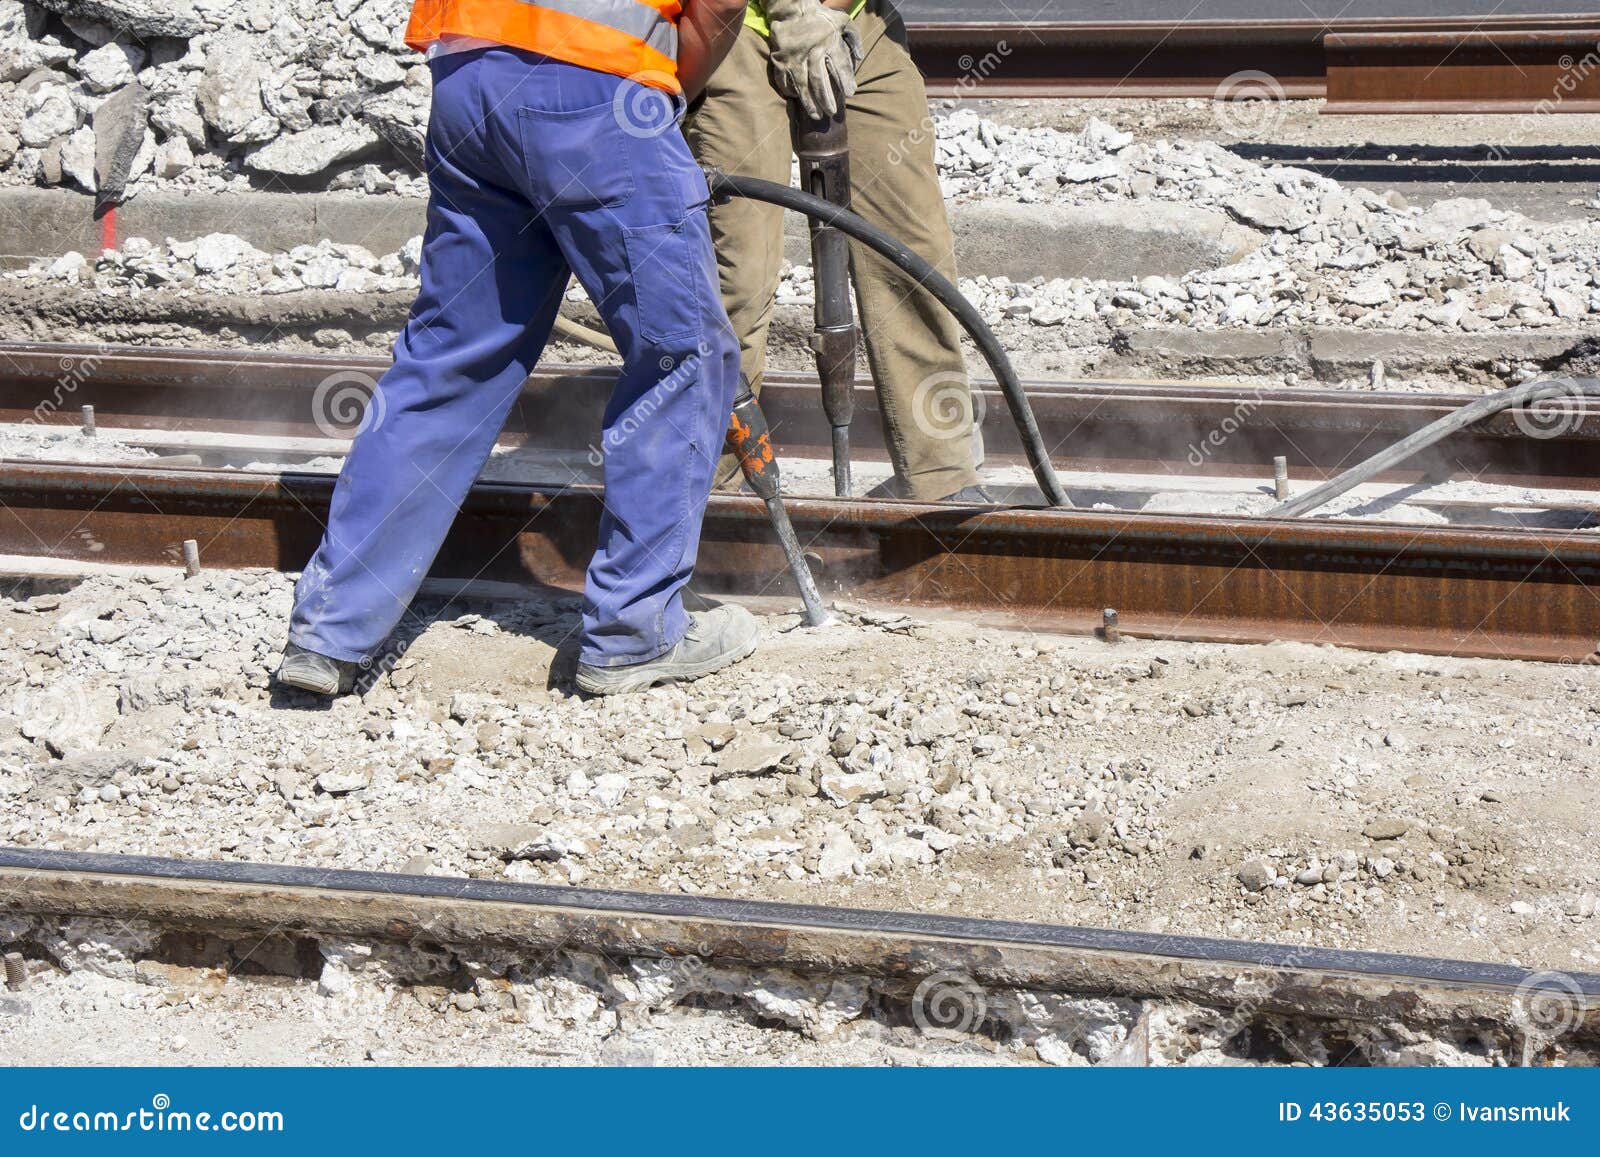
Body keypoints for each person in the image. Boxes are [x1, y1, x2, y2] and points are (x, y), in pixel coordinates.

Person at [276, 0, 759, 698]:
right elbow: (719, 5)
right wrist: (659, 97)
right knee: (681, 351)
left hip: (469, 78)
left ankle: (330, 631)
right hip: (602, 84)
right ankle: (635, 630)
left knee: (453, 355)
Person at [685, 0, 988, 503]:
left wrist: (826, 11)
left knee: (911, 257)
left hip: (856, 23)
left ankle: (939, 477)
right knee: (738, 278)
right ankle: (709, 497)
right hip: (735, 26)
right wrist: (789, 9)